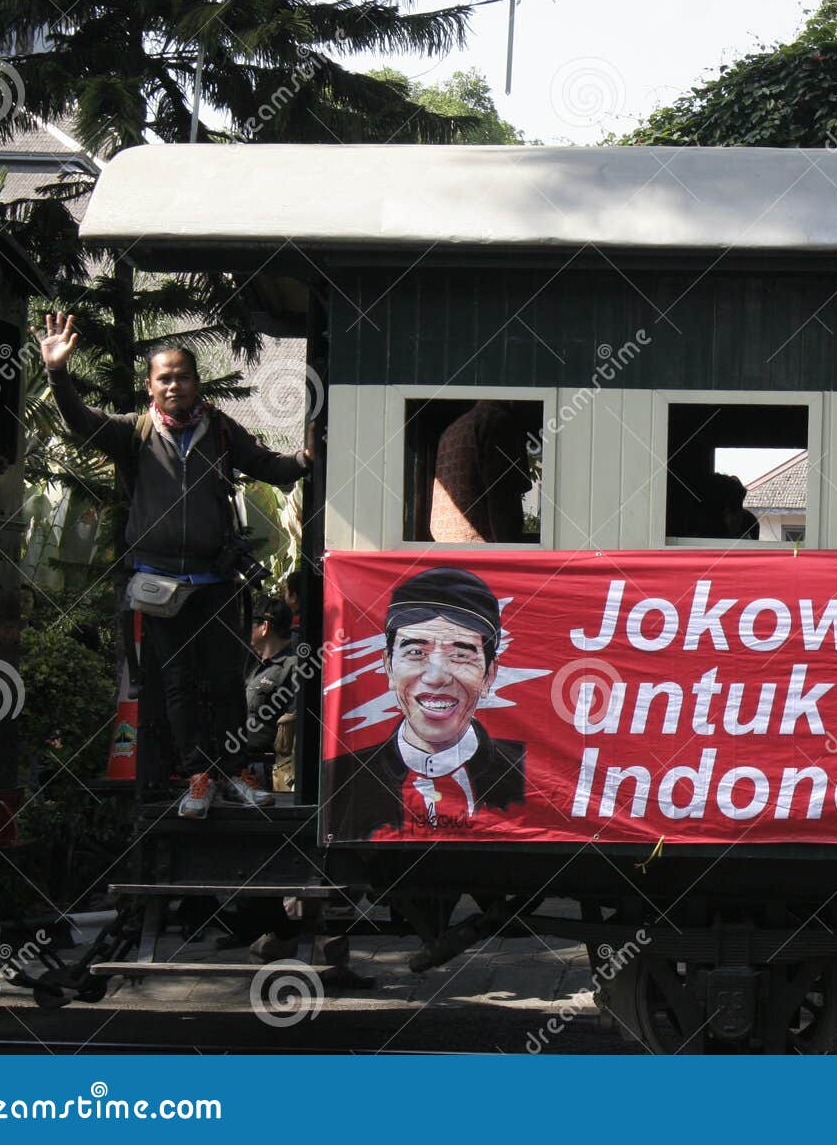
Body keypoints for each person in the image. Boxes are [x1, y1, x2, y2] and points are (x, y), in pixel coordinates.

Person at [37, 312, 315, 820]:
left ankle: (236, 773)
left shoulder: (221, 430)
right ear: (150, 386)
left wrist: (305, 458)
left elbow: (268, 466)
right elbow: (81, 422)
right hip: (159, 585)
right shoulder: (135, 432)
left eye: (182, 377)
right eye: (164, 378)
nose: (173, 386)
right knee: (178, 684)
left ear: (196, 383)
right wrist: (57, 372)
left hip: (216, 581)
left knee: (226, 682)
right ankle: (198, 776)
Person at [323, 567, 525, 841]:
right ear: (388, 666)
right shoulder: (343, 775)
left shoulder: (528, 773)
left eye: (460, 655)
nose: (436, 677)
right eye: (416, 652)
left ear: (489, 674)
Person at [429, 400, 533, 543]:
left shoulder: (452, 430)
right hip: (481, 544)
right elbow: (502, 494)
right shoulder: (497, 421)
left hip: (445, 543)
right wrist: (507, 548)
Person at [235, 597, 301, 798]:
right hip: (241, 770)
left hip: (269, 776)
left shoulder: (295, 666)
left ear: (264, 627)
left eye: (249, 624)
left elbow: (294, 726)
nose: (244, 630)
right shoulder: (251, 664)